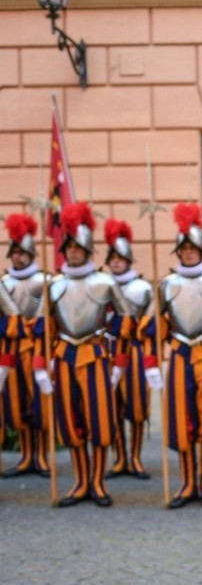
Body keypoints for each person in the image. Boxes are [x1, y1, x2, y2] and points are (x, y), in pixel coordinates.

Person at [33, 202, 133, 507]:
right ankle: (79, 482)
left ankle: (98, 483)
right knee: (70, 422)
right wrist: (40, 367)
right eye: (70, 248)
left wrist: (119, 363)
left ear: (88, 251)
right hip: (64, 358)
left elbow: (125, 321)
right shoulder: (53, 285)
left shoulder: (105, 282)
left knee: (100, 423)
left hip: (95, 355)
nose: (73, 252)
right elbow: (42, 328)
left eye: (78, 248)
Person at [142, 203, 202, 509]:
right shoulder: (167, 284)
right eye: (183, 249)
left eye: (193, 248)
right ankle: (186, 482)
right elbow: (151, 326)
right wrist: (150, 362)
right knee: (183, 423)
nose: (188, 253)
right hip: (180, 355)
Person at [103, 219, 153, 480]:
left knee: (135, 407)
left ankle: (134, 457)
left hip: (134, 352)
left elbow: (150, 324)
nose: (116, 262)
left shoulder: (142, 288)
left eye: (120, 258)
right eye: (112, 258)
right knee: (112, 407)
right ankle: (119, 457)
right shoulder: (99, 286)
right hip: (108, 353)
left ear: (128, 259)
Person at [1, 213, 49, 479]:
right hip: (11, 353)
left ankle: (41, 455)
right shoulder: (4, 284)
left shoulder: (44, 282)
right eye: (14, 253)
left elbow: (49, 320)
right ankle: (26, 455)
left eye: (22, 252)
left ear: (31, 253)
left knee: (38, 405)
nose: (18, 257)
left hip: (36, 351)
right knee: (16, 405)